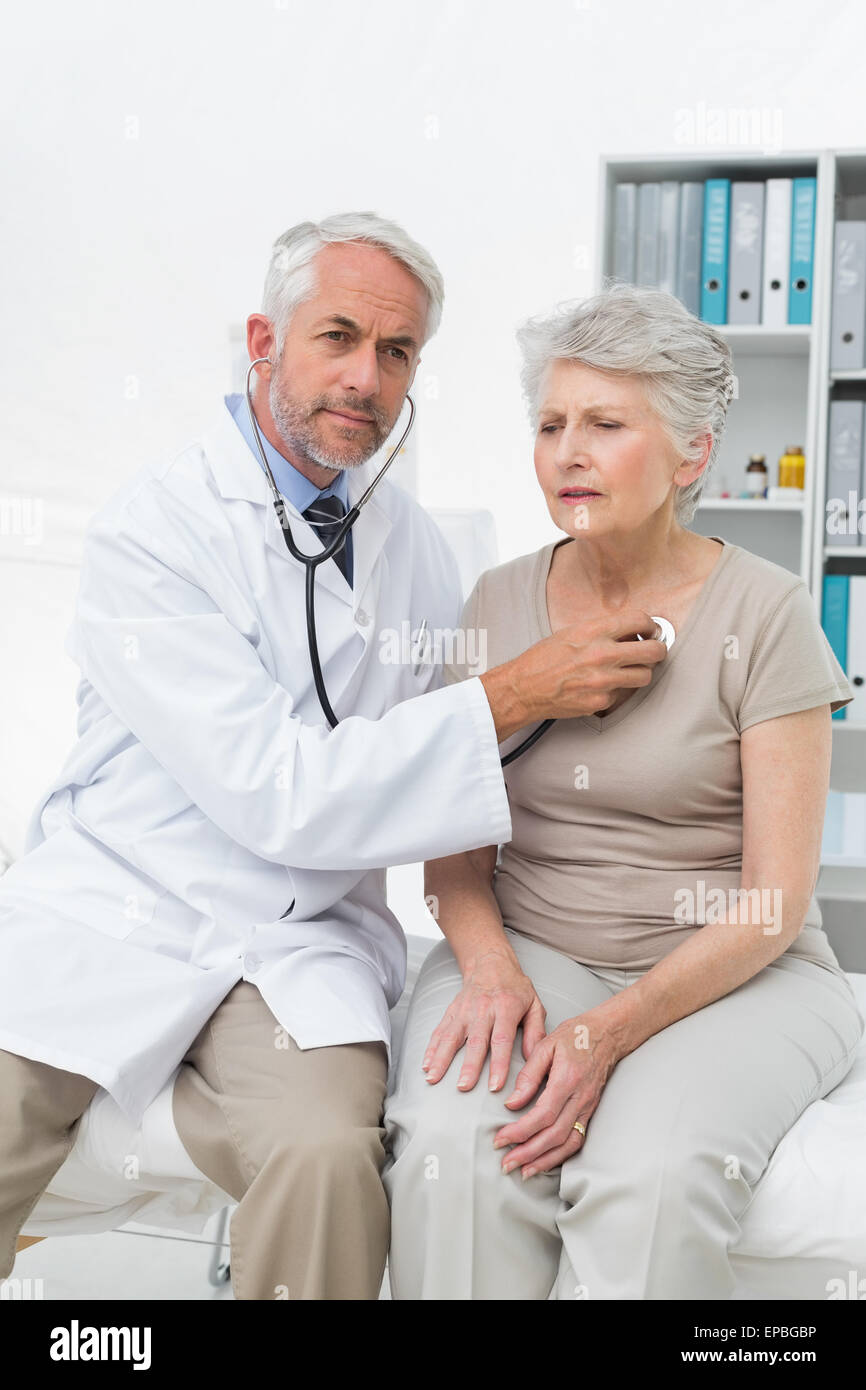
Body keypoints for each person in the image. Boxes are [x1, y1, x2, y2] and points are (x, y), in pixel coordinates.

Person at [0, 219, 667, 1301]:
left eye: (396, 353)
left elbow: (442, 798)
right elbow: (277, 789)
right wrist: (510, 692)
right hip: (116, 914)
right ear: (266, 340)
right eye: (338, 337)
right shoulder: (154, 529)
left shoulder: (416, 547)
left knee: (324, 1159)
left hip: (294, 942)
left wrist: (501, 950)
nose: (365, 377)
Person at [383, 281, 865, 1300]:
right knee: (454, 1141)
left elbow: (772, 903)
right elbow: (452, 847)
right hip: (535, 947)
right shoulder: (497, 600)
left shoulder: (766, 612)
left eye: (605, 423)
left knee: (646, 1176)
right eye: (551, 423)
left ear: (690, 453)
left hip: (739, 971)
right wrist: (488, 971)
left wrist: (606, 1033)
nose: (567, 450)